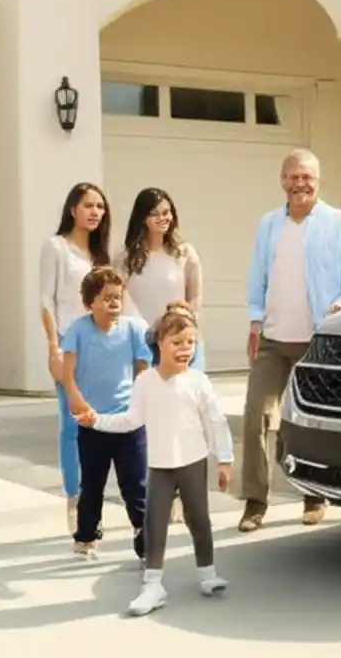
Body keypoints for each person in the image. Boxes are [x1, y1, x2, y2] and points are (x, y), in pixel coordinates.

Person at [238, 148, 341, 532]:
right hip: (273, 341)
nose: (300, 183)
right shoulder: (268, 225)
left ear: (318, 180)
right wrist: (255, 321)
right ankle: (255, 502)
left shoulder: (339, 223)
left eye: (306, 176)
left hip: (317, 341)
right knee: (256, 418)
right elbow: (256, 277)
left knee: (310, 423)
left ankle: (314, 495)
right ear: (283, 181)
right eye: (293, 176)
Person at [76, 304, 233, 616]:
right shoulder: (145, 381)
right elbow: (131, 420)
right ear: (159, 342)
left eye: (191, 342)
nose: (185, 349)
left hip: (193, 460)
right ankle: (153, 585)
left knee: (198, 518)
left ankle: (207, 573)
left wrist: (224, 459)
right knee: (154, 521)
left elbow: (216, 422)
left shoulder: (199, 381)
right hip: (160, 465)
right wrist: (96, 421)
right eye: (177, 342)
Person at [119, 187, 205, 524]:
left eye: (168, 212)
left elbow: (195, 296)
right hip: (145, 346)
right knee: (154, 425)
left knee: (186, 422)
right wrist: (149, 331)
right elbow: (123, 299)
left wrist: (181, 325)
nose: (163, 218)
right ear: (143, 217)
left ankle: (187, 494)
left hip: (182, 346)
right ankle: (161, 494)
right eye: (156, 213)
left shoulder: (185, 253)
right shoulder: (126, 257)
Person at [60, 266, 153, 561]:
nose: (114, 302)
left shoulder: (134, 329)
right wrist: (76, 400)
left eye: (118, 297)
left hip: (128, 423)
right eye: (106, 297)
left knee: (136, 484)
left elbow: (142, 369)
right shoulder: (78, 330)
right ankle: (87, 535)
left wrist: (141, 405)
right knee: (93, 484)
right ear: (90, 304)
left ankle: (144, 533)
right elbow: (67, 372)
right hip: (93, 422)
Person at [38, 182, 111, 534]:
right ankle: (74, 498)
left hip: (100, 345)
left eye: (100, 206)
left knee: (98, 425)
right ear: (72, 209)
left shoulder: (100, 255)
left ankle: (93, 498)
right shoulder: (56, 247)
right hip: (68, 344)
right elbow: (45, 300)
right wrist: (53, 345)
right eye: (89, 205)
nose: (96, 211)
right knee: (71, 425)